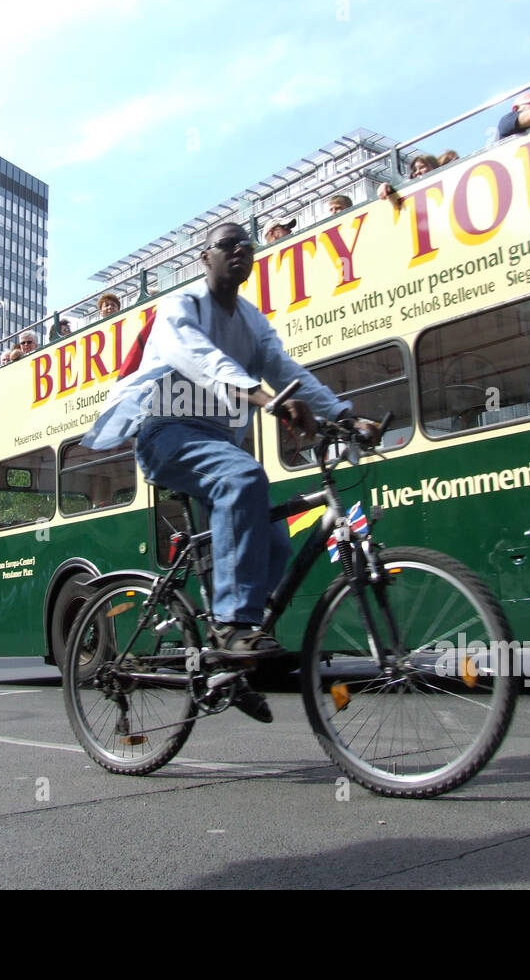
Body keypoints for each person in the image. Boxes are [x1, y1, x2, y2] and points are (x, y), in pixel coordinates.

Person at [83, 222, 368, 702]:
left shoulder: (253, 321)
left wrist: (344, 415)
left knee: (277, 537)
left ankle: (232, 655)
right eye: (227, 245)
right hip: (166, 432)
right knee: (243, 476)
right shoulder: (182, 306)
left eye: (247, 246)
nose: (240, 251)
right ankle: (234, 626)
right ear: (205, 257)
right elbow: (202, 361)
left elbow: (287, 369)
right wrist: (268, 401)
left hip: (217, 441)